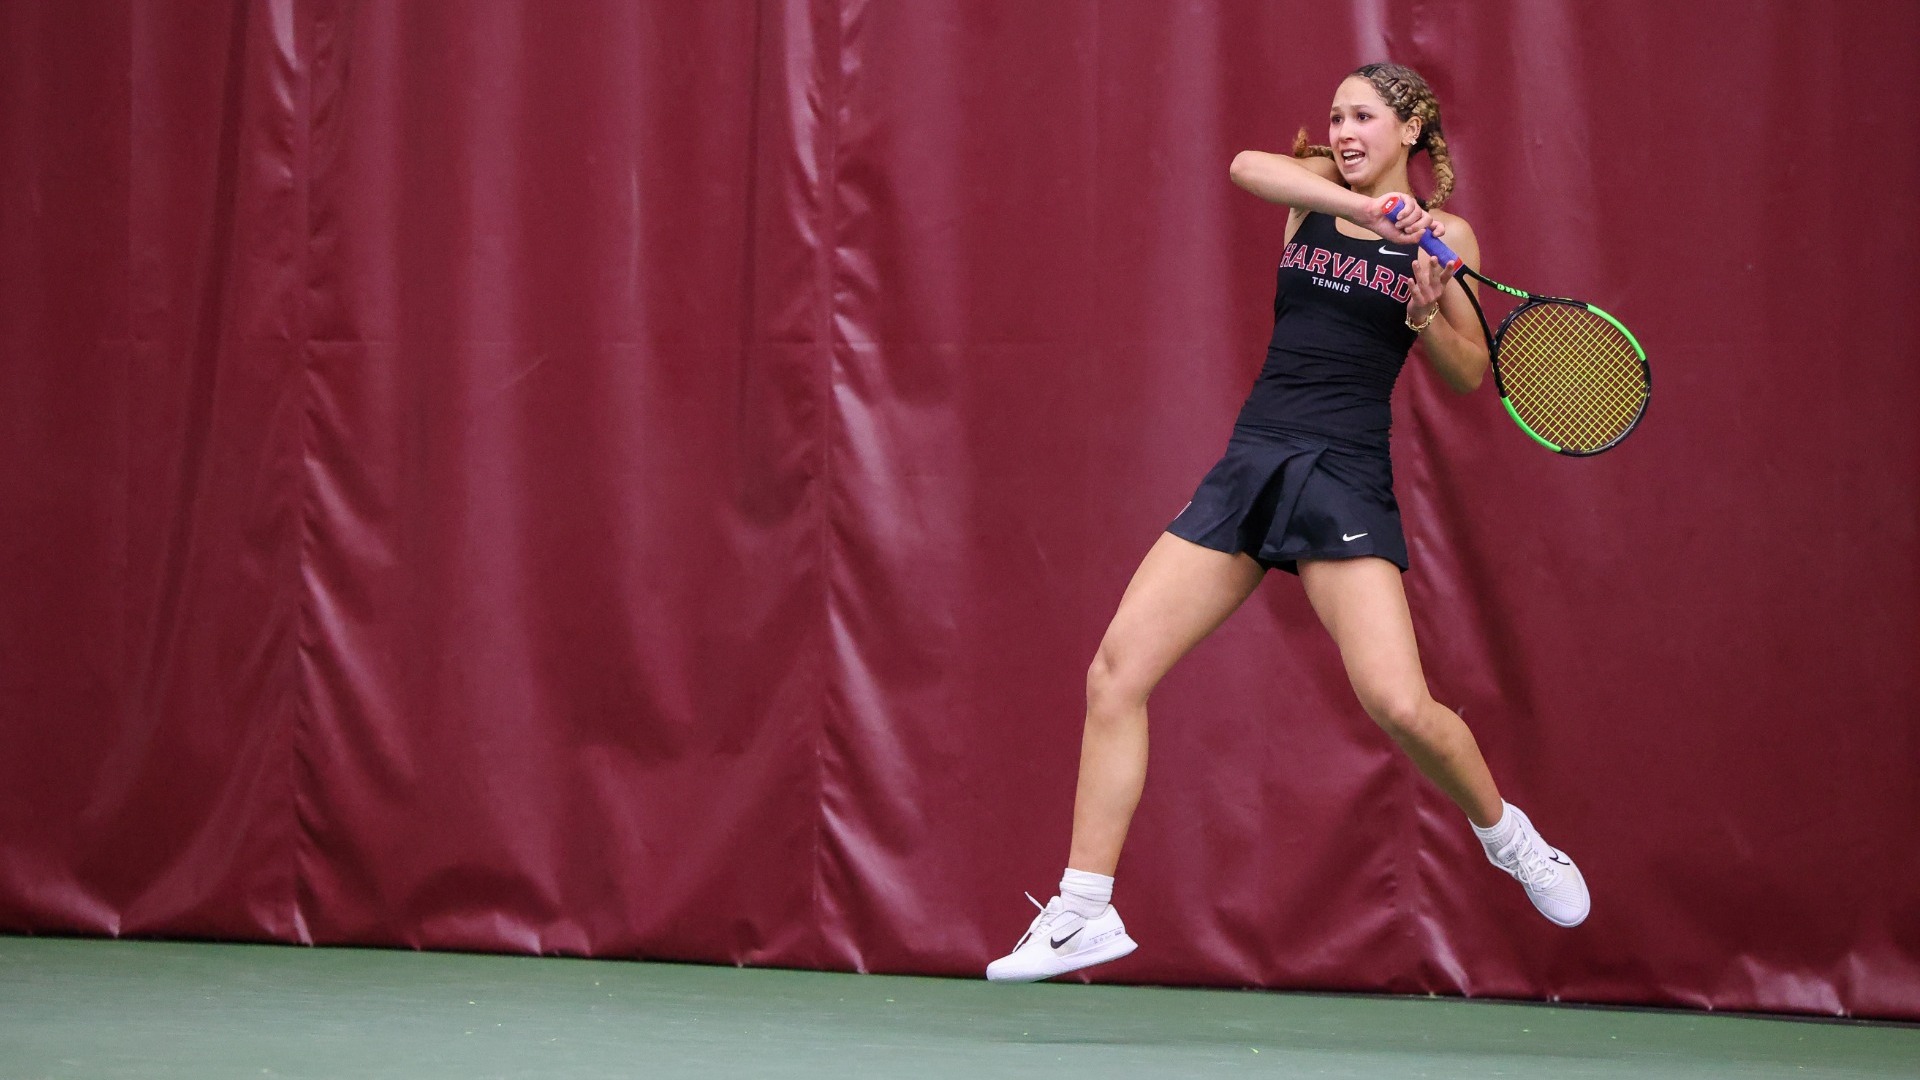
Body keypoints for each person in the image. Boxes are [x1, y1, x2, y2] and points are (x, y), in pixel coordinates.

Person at [987, 63, 1589, 984]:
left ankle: (1510, 837)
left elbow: (1472, 372)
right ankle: (1082, 909)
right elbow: (1244, 167)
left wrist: (1428, 312)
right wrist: (1375, 213)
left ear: (1413, 128)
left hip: (1344, 470)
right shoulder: (1306, 191)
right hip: (1254, 458)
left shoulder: (1450, 235)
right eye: (1337, 115)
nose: (1344, 130)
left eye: (1365, 117)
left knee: (1398, 705)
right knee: (1115, 672)